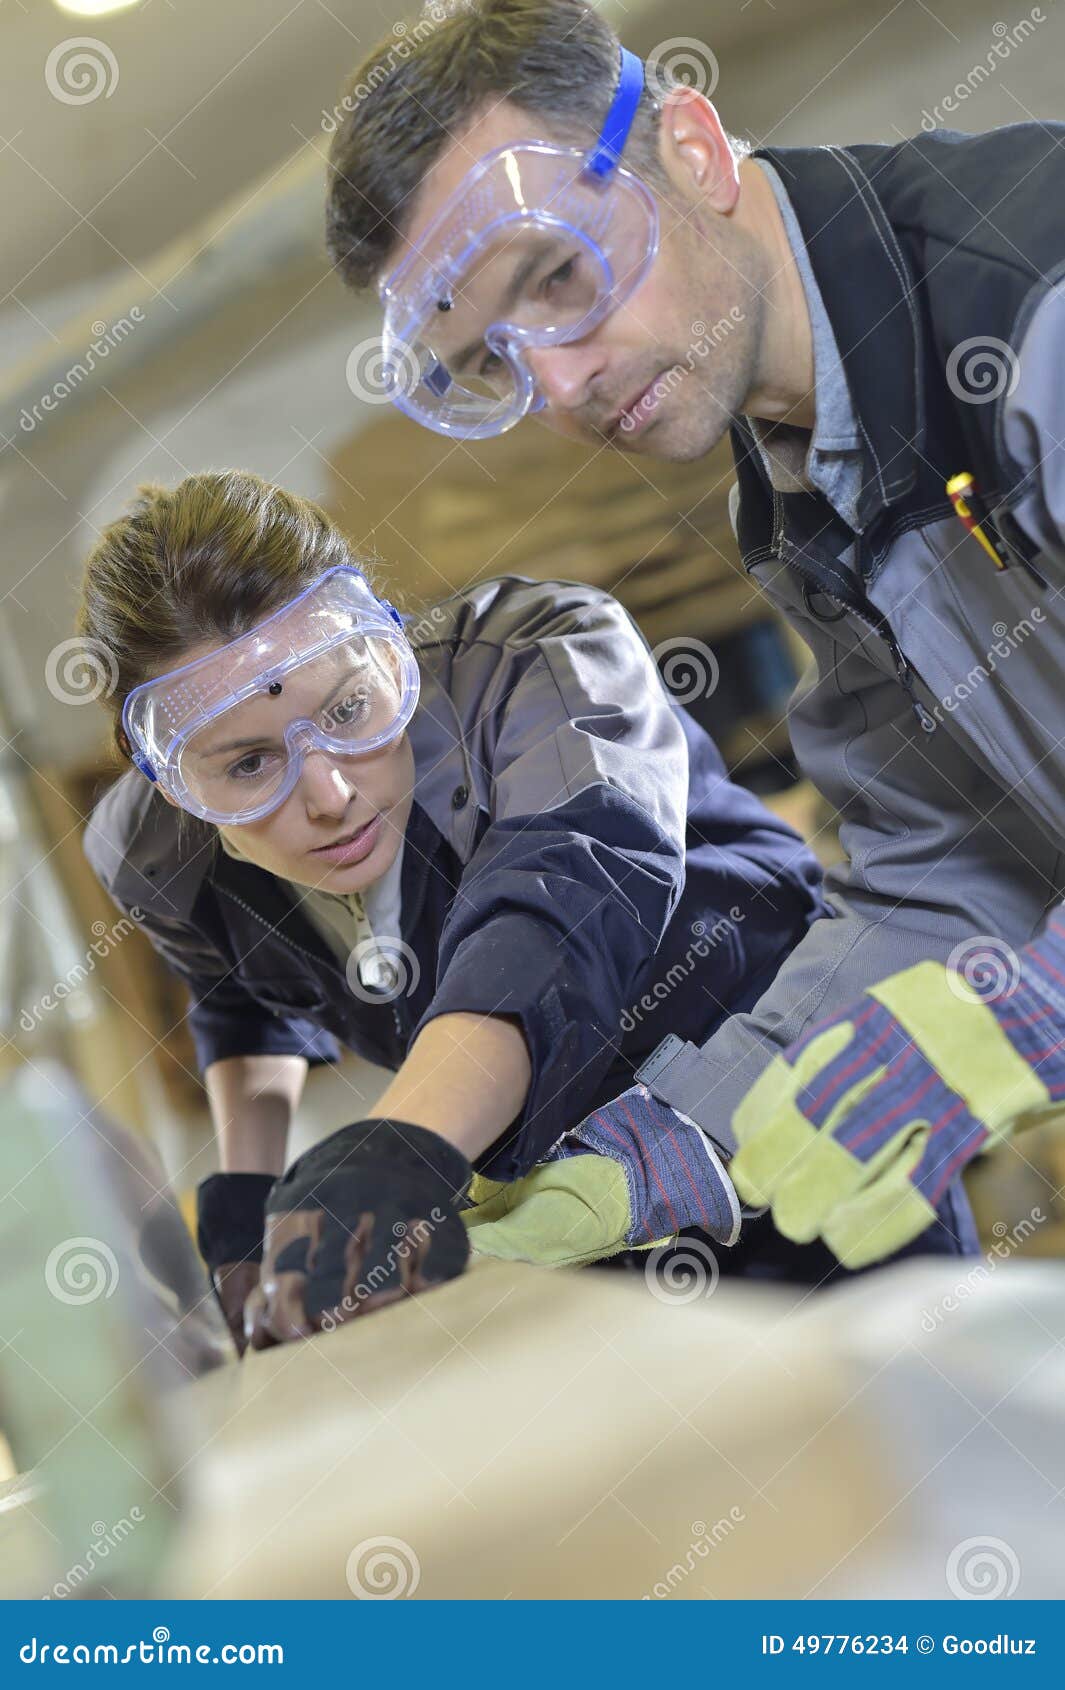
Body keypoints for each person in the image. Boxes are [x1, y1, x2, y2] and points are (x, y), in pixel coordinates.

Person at [322, 0, 1065, 1272]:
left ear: (696, 149)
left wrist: (1028, 1014)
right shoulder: (797, 484)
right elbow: (947, 871)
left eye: (556, 277)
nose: (558, 383)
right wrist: (663, 1148)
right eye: (494, 356)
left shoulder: (1029, 313)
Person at [79, 469, 824, 1350]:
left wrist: (399, 1147)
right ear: (169, 783)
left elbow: (554, 906)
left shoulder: (542, 660)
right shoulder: (150, 853)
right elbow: (244, 1007)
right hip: (567, 1217)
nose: (329, 792)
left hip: (793, 1110)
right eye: (247, 766)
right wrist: (249, 1196)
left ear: (386, 644)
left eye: (350, 709)